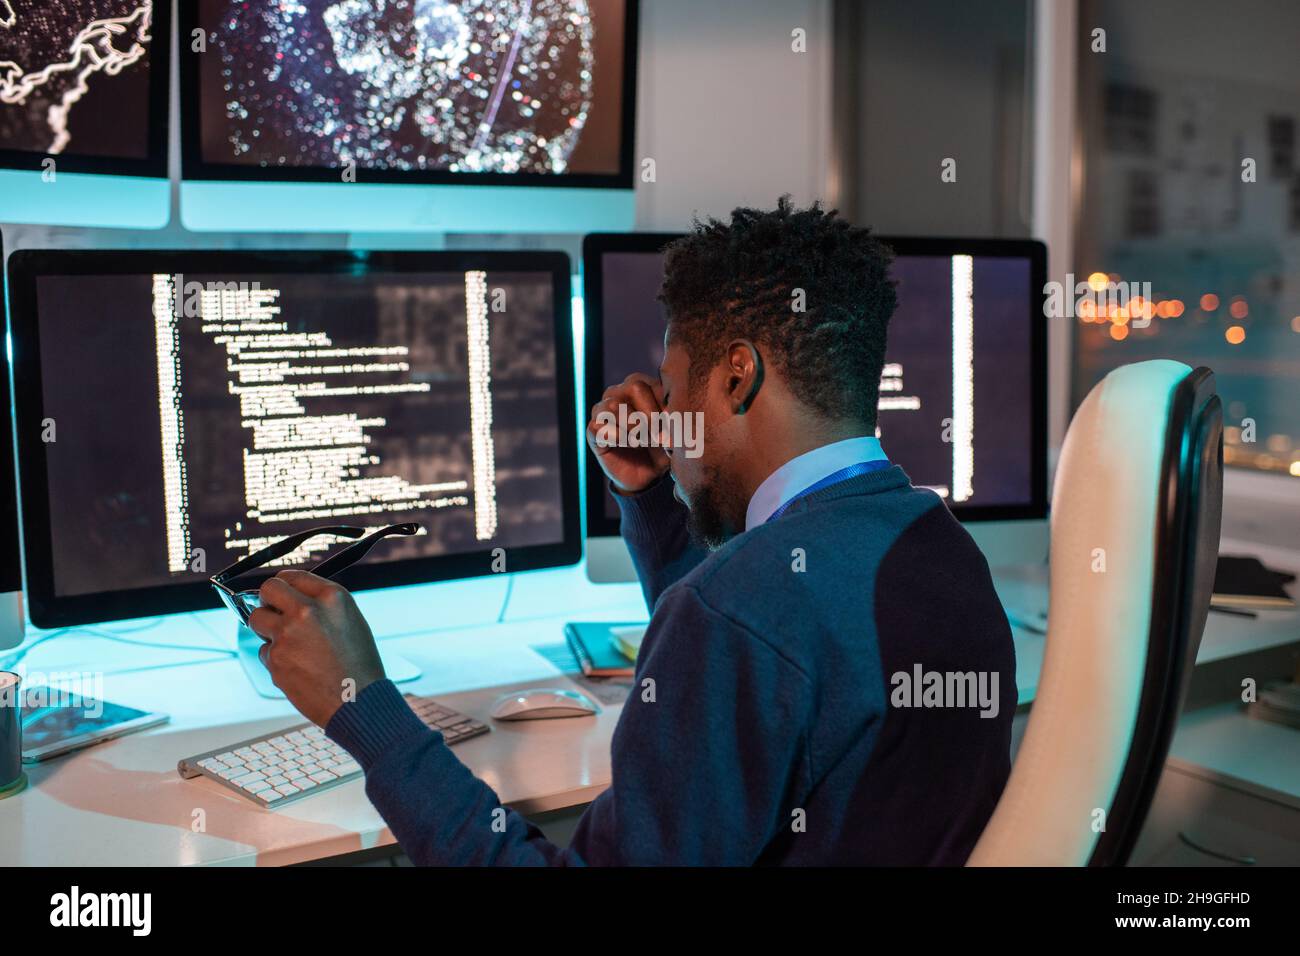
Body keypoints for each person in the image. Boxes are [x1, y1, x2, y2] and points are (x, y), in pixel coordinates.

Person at [249, 197, 1017, 865]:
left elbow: (745, 634)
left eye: (676, 388)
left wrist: (368, 711)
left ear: (738, 376)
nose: (667, 420)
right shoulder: (942, 548)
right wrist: (652, 502)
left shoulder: (740, 612)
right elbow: (758, 670)